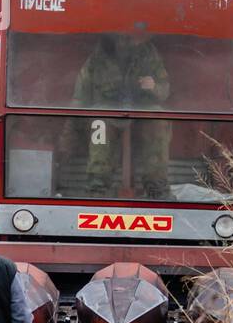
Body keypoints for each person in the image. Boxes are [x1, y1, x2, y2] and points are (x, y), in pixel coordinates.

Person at [72, 32, 172, 199]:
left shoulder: (150, 55)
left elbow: (165, 90)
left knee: (159, 119)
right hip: (107, 110)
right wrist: (74, 123)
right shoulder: (98, 59)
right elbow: (80, 94)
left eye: (130, 36)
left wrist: (154, 86)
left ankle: (157, 187)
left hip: (143, 109)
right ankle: (97, 188)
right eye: (121, 36)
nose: (126, 40)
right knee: (99, 122)